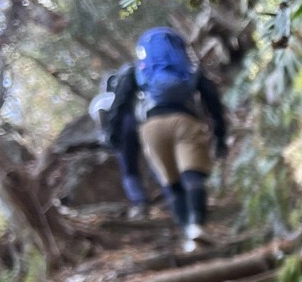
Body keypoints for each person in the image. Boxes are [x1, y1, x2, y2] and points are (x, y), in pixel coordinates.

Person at [107, 28, 229, 252]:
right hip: (185, 120)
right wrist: (220, 137)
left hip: (151, 127)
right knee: (193, 174)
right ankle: (196, 226)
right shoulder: (190, 68)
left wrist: (114, 135)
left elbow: (120, 103)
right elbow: (214, 104)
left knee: (171, 183)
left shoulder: (137, 71)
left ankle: (188, 235)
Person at [89, 65, 150, 219]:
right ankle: (173, 194)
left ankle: (140, 204)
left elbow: (101, 123)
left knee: (129, 171)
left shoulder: (100, 101)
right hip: (139, 126)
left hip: (120, 134)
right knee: (153, 162)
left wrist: (107, 140)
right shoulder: (130, 94)